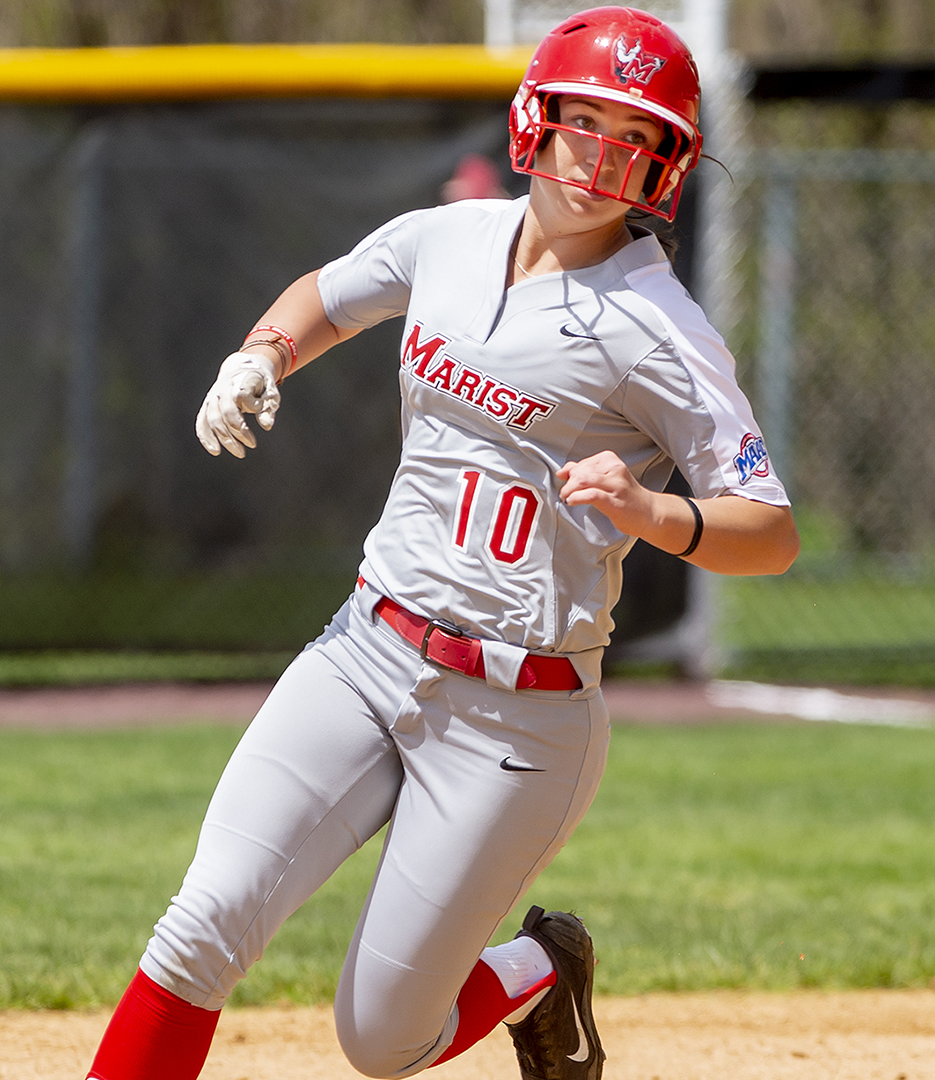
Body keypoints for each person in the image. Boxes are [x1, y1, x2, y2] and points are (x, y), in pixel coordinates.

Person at [84, 8, 797, 1080]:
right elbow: (324, 299)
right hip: (367, 647)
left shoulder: (664, 331)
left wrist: (657, 516)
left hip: (519, 714)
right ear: (535, 119)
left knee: (383, 1040)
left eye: (637, 137)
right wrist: (264, 354)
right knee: (203, 923)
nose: (604, 156)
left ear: (667, 165)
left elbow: (771, 531)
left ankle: (539, 968)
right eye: (586, 122)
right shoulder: (448, 238)